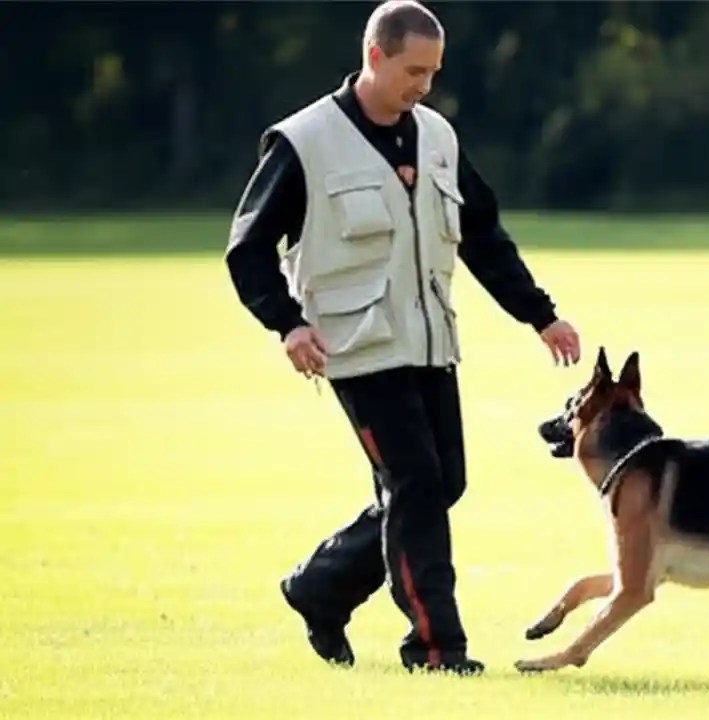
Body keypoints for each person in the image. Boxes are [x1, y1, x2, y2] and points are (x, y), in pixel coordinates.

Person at [224, 0, 581, 675]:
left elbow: (482, 236)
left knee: (442, 483)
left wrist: (540, 314)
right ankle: (437, 647)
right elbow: (247, 248)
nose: (424, 85)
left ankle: (319, 588)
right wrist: (287, 322)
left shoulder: (439, 136)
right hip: (356, 349)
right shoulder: (304, 141)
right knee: (415, 482)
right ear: (375, 56)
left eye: (434, 72)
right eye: (414, 70)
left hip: (430, 345)